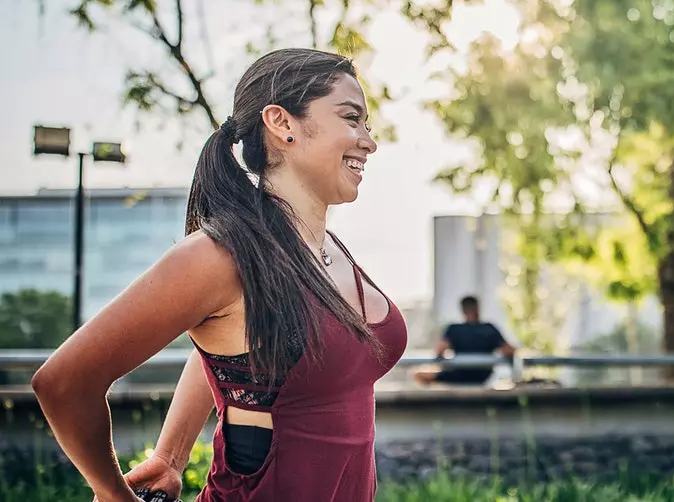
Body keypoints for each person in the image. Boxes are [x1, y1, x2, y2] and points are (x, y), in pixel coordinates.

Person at [32, 48, 408, 502]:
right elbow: (63, 383)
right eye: (352, 119)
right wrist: (115, 496)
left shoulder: (323, 248)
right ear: (282, 123)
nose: (368, 141)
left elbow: (236, 341)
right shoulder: (219, 255)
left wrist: (171, 456)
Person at [414, 295, 514, 386]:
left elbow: (439, 351)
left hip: (458, 375)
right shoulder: (489, 329)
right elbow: (509, 350)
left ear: (462, 310)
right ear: (478, 309)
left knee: (418, 374)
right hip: (482, 376)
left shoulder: (454, 329)